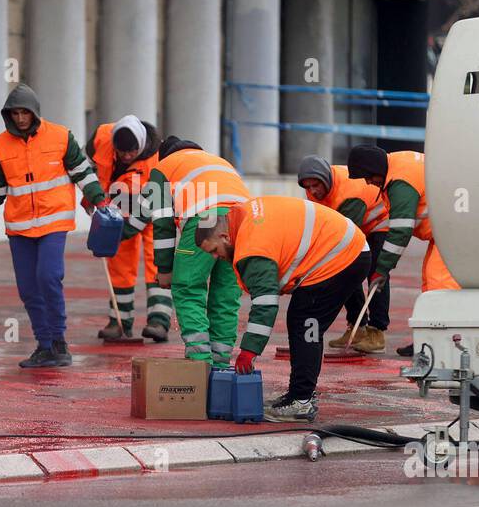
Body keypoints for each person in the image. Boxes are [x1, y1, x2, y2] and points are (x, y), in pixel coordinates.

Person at [194, 196, 370, 422]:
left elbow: (265, 304)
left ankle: (301, 401)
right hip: (343, 246)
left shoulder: (252, 247)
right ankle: (300, 396)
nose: (215, 257)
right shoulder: (241, 218)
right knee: (303, 320)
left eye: (215, 250)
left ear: (224, 236)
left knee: (306, 321)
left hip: (342, 254)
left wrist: (249, 351)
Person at [0, 84, 109, 367]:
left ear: (35, 112)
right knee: (28, 288)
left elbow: (83, 171)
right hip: (19, 227)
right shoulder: (0, 145)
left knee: (49, 276)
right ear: (8, 115)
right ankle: (44, 345)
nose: (20, 118)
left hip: (54, 221)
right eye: (15, 113)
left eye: (25, 112)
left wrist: (98, 200)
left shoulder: (61, 137)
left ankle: (59, 341)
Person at [122, 137, 249, 365]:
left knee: (188, 288)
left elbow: (162, 225)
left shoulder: (164, 167)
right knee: (227, 294)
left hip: (206, 220)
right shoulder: (218, 161)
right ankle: (221, 363)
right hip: (242, 223)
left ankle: (201, 361)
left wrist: (165, 269)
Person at [347, 145, 460, 357]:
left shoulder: (400, 182)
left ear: (374, 169)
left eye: (368, 177)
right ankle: (428, 341)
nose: (368, 183)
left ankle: (442, 345)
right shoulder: (398, 164)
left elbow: (400, 231)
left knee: (439, 286)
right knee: (430, 283)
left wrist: (381, 270)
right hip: (447, 230)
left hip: (454, 230)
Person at [85, 115, 171, 341]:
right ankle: (119, 322)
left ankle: (159, 321)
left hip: (154, 213)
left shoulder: (157, 159)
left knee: (158, 263)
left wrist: (125, 230)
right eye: (121, 152)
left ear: (140, 147)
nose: (126, 156)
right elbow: (92, 171)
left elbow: (152, 204)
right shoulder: (101, 139)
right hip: (118, 209)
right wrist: (90, 198)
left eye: (131, 152)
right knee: (119, 266)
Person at [297, 155, 390, 353]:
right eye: (307, 187)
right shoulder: (314, 191)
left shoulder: (349, 193)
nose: (312, 191)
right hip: (354, 223)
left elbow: (346, 235)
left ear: (325, 179)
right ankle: (357, 327)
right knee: (344, 270)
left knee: (375, 273)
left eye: (315, 185)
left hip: (379, 223)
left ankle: (377, 331)